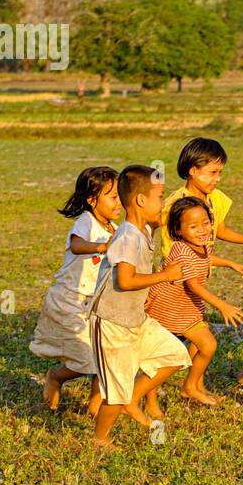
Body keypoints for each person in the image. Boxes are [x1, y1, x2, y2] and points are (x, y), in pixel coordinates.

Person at [88, 165, 192, 447]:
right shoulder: (127, 236)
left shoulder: (142, 230)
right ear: (140, 200)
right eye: (160, 198)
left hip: (136, 319)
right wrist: (166, 276)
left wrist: (156, 228)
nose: (163, 204)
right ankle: (99, 439)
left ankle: (132, 398)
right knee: (115, 393)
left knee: (176, 354)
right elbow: (125, 280)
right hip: (111, 323)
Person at [31, 166, 121, 414]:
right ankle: (57, 377)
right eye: (113, 196)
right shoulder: (86, 222)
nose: (119, 202)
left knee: (105, 356)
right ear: (92, 200)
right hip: (70, 300)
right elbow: (78, 245)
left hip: (97, 305)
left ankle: (95, 409)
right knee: (87, 359)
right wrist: (102, 247)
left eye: (120, 195)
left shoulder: (115, 228)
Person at [146, 196, 243, 406]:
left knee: (203, 346)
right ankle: (158, 398)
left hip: (186, 306)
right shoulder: (182, 251)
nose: (202, 230)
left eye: (206, 223)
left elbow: (206, 258)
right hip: (169, 308)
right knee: (162, 356)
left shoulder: (199, 245)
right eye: (193, 226)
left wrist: (230, 263)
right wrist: (222, 305)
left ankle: (190, 387)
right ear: (178, 230)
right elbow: (193, 285)